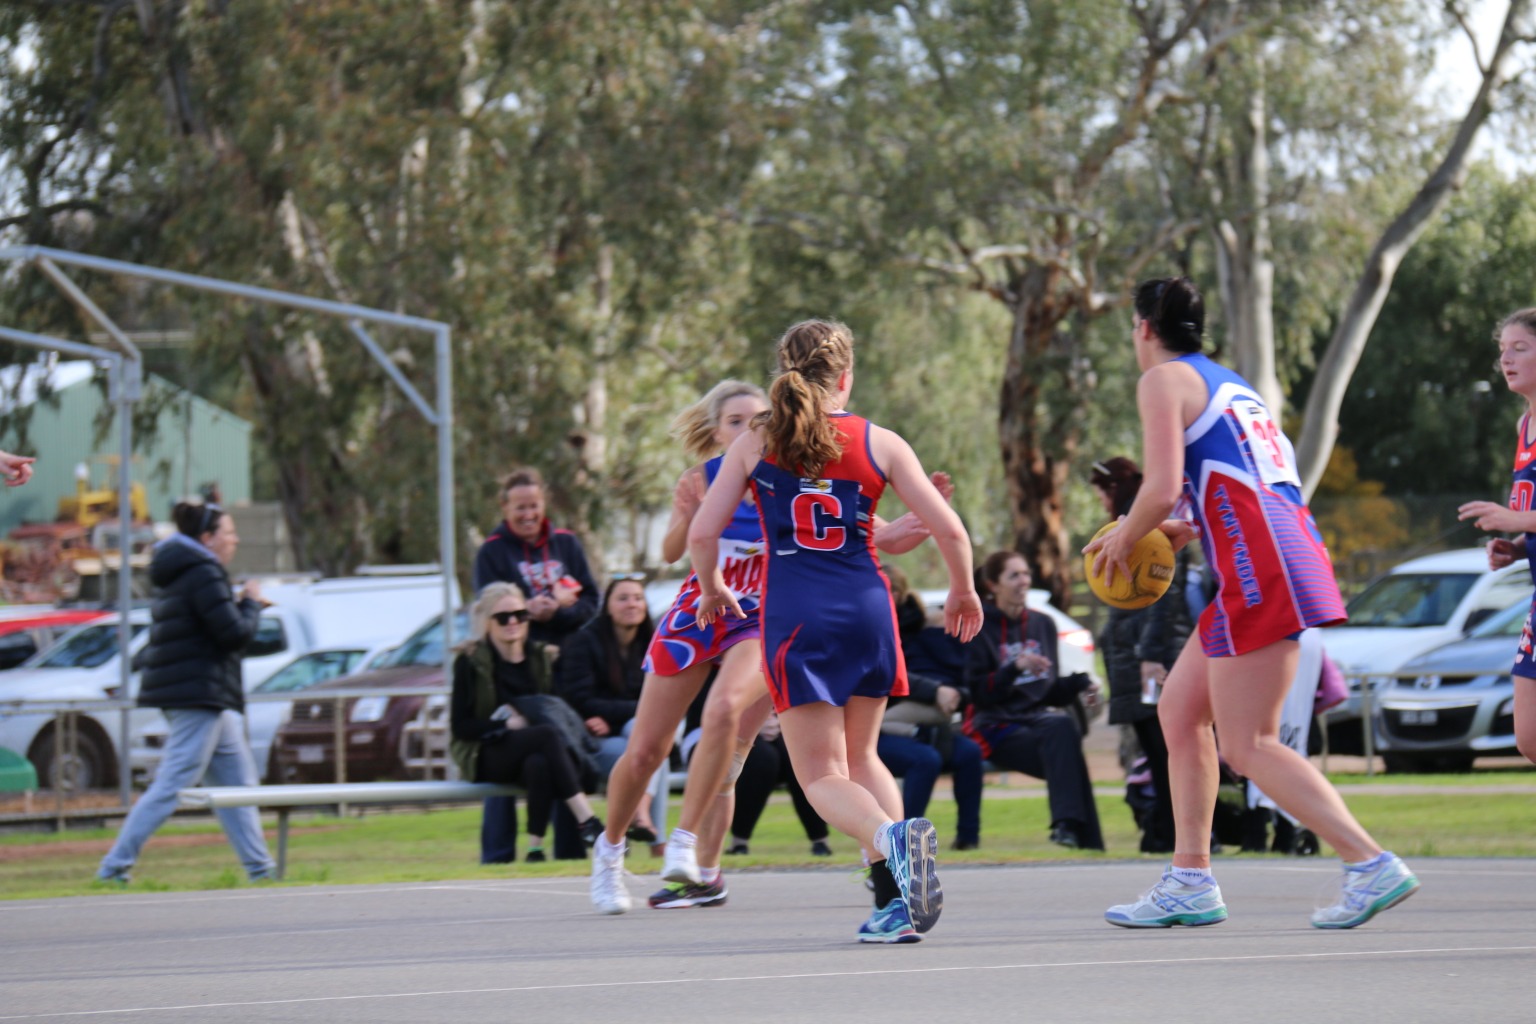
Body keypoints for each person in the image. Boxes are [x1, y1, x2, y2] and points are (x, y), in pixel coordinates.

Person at [1087, 275, 1417, 929]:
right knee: (1180, 715)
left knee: (1250, 744)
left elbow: (1155, 489)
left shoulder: (1162, 380)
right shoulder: (1232, 386)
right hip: (1275, 553)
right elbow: (1232, 482)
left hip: (1257, 564)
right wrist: (1183, 527)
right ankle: (1190, 879)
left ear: (1143, 328)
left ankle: (1369, 861)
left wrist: (1127, 537)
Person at [590, 379, 940, 915]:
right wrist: (687, 516)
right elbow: (669, 551)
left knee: (726, 717)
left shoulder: (787, 474)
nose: (748, 429)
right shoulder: (709, 477)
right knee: (646, 751)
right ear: (715, 430)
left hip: (762, 613)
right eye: (735, 421)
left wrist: (923, 521)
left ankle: (691, 856)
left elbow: (882, 535)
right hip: (704, 604)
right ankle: (611, 851)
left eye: (758, 418)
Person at [689, 318, 982, 944]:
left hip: (798, 614)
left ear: (781, 370)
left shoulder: (759, 441)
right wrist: (962, 589)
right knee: (864, 757)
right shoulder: (881, 441)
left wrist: (713, 586)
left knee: (821, 774)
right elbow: (952, 530)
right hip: (869, 607)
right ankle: (898, 904)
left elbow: (702, 532)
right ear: (847, 376)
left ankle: (892, 840)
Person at [97, 500, 275, 883]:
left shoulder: (181, 570)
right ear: (208, 539)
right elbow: (233, 635)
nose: (235, 540)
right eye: (229, 533)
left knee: (238, 784)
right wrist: (250, 604)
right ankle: (113, 868)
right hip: (198, 694)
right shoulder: (205, 573)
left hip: (199, 693)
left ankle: (261, 871)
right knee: (172, 784)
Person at [471, 467, 601, 862]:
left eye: (534, 505)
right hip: (513, 672)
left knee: (562, 753)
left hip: (563, 671)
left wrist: (558, 614)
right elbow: (488, 610)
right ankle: (497, 854)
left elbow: (591, 603)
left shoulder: (566, 544)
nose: (528, 514)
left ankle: (569, 850)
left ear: (544, 505)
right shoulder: (492, 551)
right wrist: (527, 612)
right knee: (509, 752)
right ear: (504, 508)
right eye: (519, 507)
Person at [449, 582, 605, 863]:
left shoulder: (541, 657)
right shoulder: (470, 662)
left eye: (520, 615)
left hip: (532, 751)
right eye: (503, 617)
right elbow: (461, 727)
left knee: (541, 762)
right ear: (486, 622)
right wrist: (507, 726)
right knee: (546, 735)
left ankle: (536, 850)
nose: (513, 622)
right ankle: (588, 820)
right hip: (484, 752)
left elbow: (555, 709)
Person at [963, 551, 1104, 850]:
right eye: (1014, 575)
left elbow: (1048, 690)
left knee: (1061, 728)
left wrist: (1083, 683)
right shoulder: (980, 627)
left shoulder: (1043, 624)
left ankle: (1072, 832)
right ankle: (1080, 836)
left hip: (1038, 724)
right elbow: (979, 694)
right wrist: (1014, 668)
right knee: (1064, 740)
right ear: (993, 584)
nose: (1024, 581)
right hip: (997, 726)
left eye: (1026, 573)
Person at [1090, 456, 1182, 854]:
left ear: (1111, 488)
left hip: (1148, 660)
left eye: (1098, 491)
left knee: (1166, 751)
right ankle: (1161, 829)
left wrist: (1151, 654)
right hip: (1129, 656)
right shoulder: (1122, 529)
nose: (1096, 500)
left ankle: (1170, 832)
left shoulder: (1145, 528)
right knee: (1156, 749)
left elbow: (1163, 595)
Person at [1457, 307, 1536, 765]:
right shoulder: (1524, 425)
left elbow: (1524, 515)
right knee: (1528, 736)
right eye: (1502, 350)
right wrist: (1518, 549)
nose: (1506, 359)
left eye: (1520, 348)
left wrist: (1517, 521)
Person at [881, 565, 983, 851]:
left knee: (968, 753)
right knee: (924, 760)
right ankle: (904, 842)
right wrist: (934, 690)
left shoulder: (925, 629)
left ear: (898, 595)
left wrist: (954, 695)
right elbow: (888, 673)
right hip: (877, 731)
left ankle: (968, 840)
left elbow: (960, 677)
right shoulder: (872, 631)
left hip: (928, 726)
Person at [558, 575, 659, 840]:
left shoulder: (654, 642)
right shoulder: (584, 641)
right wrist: (633, 711)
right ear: (608, 606)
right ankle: (647, 826)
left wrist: (614, 716)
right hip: (593, 736)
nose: (632, 604)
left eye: (638, 598)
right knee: (647, 738)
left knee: (650, 734)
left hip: (626, 727)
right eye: (623, 598)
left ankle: (642, 816)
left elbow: (658, 698)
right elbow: (580, 698)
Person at [727, 710, 832, 859]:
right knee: (763, 760)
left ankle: (820, 839)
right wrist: (754, 722)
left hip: (781, 724)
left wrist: (780, 722)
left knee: (797, 758)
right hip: (735, 728)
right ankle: (739, 841)